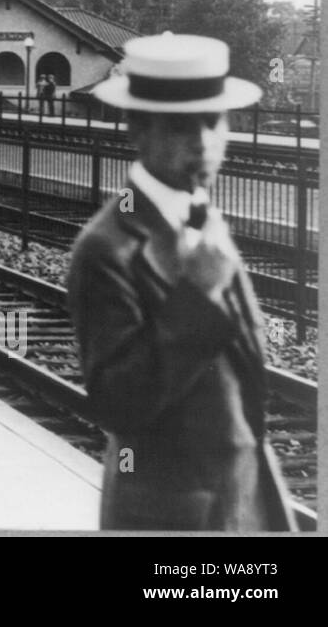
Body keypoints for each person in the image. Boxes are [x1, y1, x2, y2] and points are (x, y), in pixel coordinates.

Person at [68, 33, 297, 531]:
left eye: (212, 121)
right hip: (169, 516)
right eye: (179, 126)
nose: (202, 141)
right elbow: (116, 404)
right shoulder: (106, 247)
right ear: (137, 129)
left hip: (246, 506)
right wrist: (197, 295)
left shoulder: (205, 220)